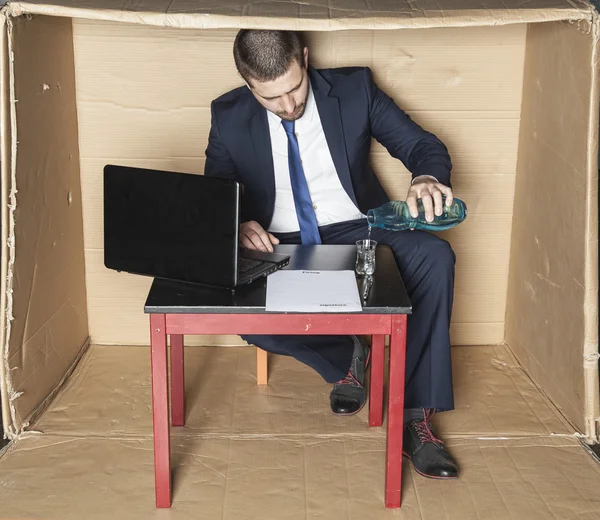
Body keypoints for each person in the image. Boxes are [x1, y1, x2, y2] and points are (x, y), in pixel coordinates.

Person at [204, 29, 458, 479]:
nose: (288, 106)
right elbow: (217, 192)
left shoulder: (355, 89)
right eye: (270, 98)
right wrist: (238, 224)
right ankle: (347, 356)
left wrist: (425, 176)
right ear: (247, 83)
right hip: (280, 242)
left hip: (361, 228)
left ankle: (414, 415)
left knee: (434, 257)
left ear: (304, 59)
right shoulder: (227, 115)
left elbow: (422, 145)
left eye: (294, 88)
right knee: (241, 313)